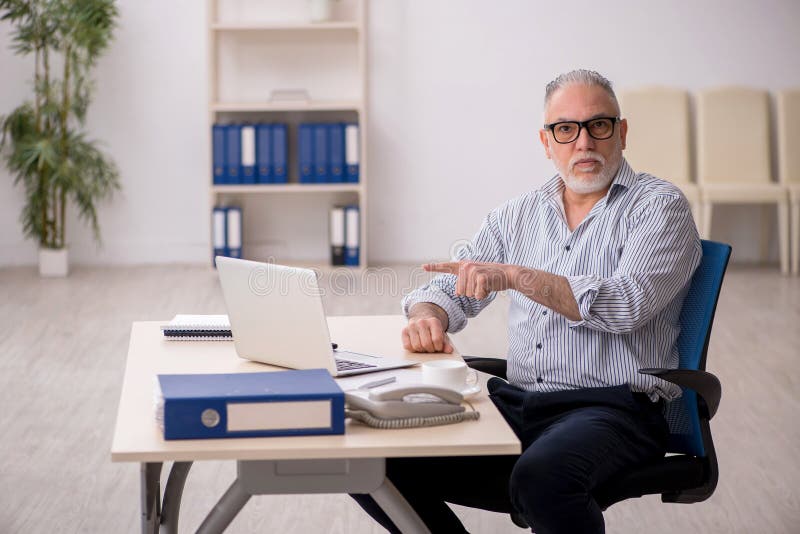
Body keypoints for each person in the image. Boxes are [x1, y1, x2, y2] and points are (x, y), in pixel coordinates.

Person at [352, 69, 702, 534]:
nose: (584, 143)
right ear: (546, 141)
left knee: (543, 478)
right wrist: (428, 314)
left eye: (598, 125)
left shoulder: (659, 207)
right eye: (566, 129)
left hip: (614, 410)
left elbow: (626, 305)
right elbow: (453, 283)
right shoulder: (517, 215)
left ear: (622, 132)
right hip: (522, 404)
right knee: (365, 459)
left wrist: (516, 276)